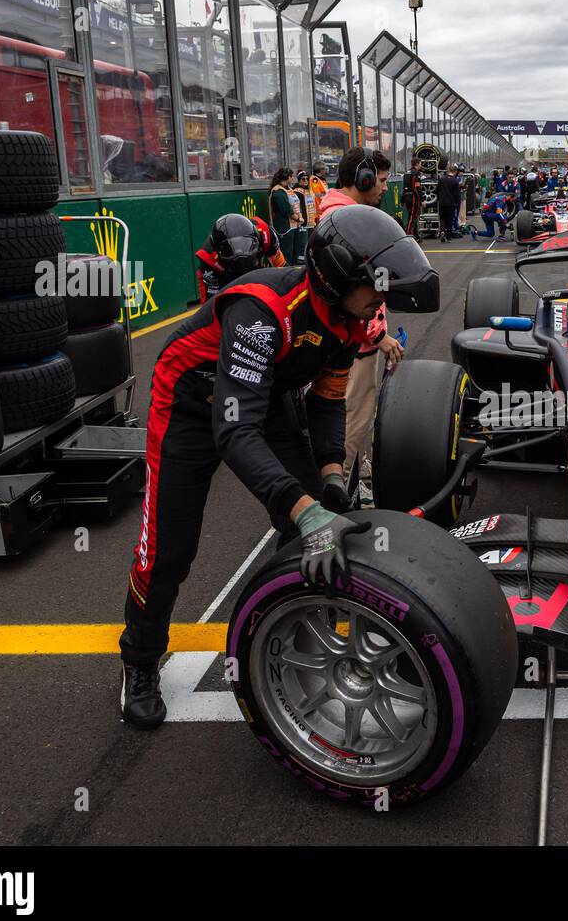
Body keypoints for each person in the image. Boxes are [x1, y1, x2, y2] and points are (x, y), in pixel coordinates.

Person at [119, 205, 439, 729]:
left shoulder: (348, 319)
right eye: (373, 288)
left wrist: (331, 475)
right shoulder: (262, 312)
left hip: (266, 396)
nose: (381, 300)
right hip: (191, 405)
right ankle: (139, 659)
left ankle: (289, 627)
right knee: (168, 552)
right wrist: (306, 508)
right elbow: (234, 431)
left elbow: (328, 400)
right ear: (336, 280)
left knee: (311, 520)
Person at [319, 149, 406, 487]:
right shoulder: (352, 223)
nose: (385, 188)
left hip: (347, 340)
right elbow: (353, 292)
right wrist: (378, 336)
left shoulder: (336, 213)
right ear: (363, 180)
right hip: (357, 343)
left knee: (349, 415)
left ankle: (354, 470)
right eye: (381, 180)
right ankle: (335, 491)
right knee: (353, 418)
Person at [193, 213, 285, 305]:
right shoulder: (208, 257)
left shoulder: (265, 233)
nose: (240, 253)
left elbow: (283, 269)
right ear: (218, 250)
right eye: (231, 248)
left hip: (257, 268)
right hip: (225, 276)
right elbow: (209, 306)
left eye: (245, 245)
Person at [267, 166, 295, 239]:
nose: (293, 178)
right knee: (286, 249)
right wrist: (298, 218)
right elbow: (286, 210)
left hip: (289, 226)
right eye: (291, 176)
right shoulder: (278, 192)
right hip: (284, 228)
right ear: (286, 177)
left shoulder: (286, 189)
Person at [436, 163, 460, 242]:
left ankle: (442, 231)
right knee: (450, 220)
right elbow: (456, 194)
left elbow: (437, 190)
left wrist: (439, 199)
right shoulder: (455, 181)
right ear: (455, 171)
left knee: (442, 218)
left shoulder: (442, 179)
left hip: (442, 202)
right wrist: (456, 203)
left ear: (449, 170)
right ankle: (448, 237)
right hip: (451, 203)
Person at [402, 156, 423, 240]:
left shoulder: (406, 173)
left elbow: (403, 187)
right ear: (417, 164)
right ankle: (408, 236)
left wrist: (402, 200)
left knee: (413, 217)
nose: (421, 165)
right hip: (413, 197)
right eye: (420, 163)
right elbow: (417, 188)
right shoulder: (416, 173)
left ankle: (416, 236)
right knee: (412, 217)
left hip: (406, 197)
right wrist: (422, 200)